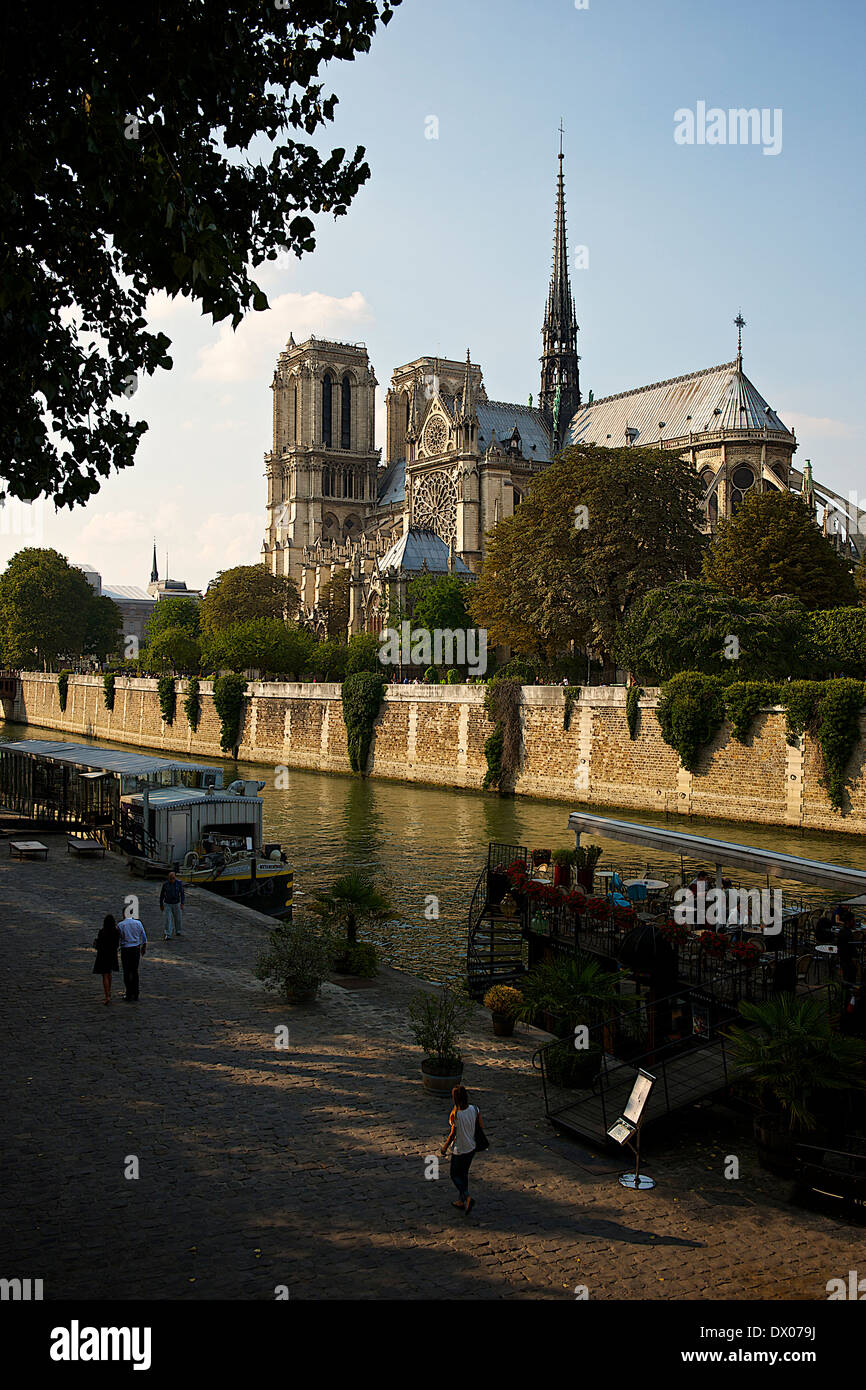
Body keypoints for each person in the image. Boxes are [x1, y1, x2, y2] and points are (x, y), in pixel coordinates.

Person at [440, 1085, 483, 1215]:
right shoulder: (475, 1109)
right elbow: (481, 1125)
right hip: (471, 1147)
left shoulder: (455, 1114)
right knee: (463, 1174)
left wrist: (445, 1146)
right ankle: (461, 1200)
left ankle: (467, 1196)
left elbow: (453, 1133)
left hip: (460, 1149)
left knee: (454, 1174)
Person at [118, 911, 147, 1001]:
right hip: (135, 949)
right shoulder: (138, 923)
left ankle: (129, 993)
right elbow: (144, 937)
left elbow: (119, 938)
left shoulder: (121, 925)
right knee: (134, 971)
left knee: (126, 971)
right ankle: (136, 992)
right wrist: (143, 947)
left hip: (126, 949)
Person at [92, 913, 121, 1005]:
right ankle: (109, 991)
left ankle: (107, 995)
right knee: (109, 973)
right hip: (112, 954)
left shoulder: (102, 932)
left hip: (103, 954)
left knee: (104, 975)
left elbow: (99, 944)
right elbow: (117, 944)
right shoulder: (116, 932)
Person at [160, 871, 185, 940]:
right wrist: (161, 904)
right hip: (167, 903)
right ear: (168, 878)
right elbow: (162, 895)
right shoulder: (165, 884)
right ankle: (168, 934)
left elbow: (182, 893)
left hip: (176, 903)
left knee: (178, 918)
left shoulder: (179, 883)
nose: (172, 880)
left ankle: (178, 930)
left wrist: (182, 903)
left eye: (173, 878)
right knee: (168, 919)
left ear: (175, 877)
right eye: (170, 878)